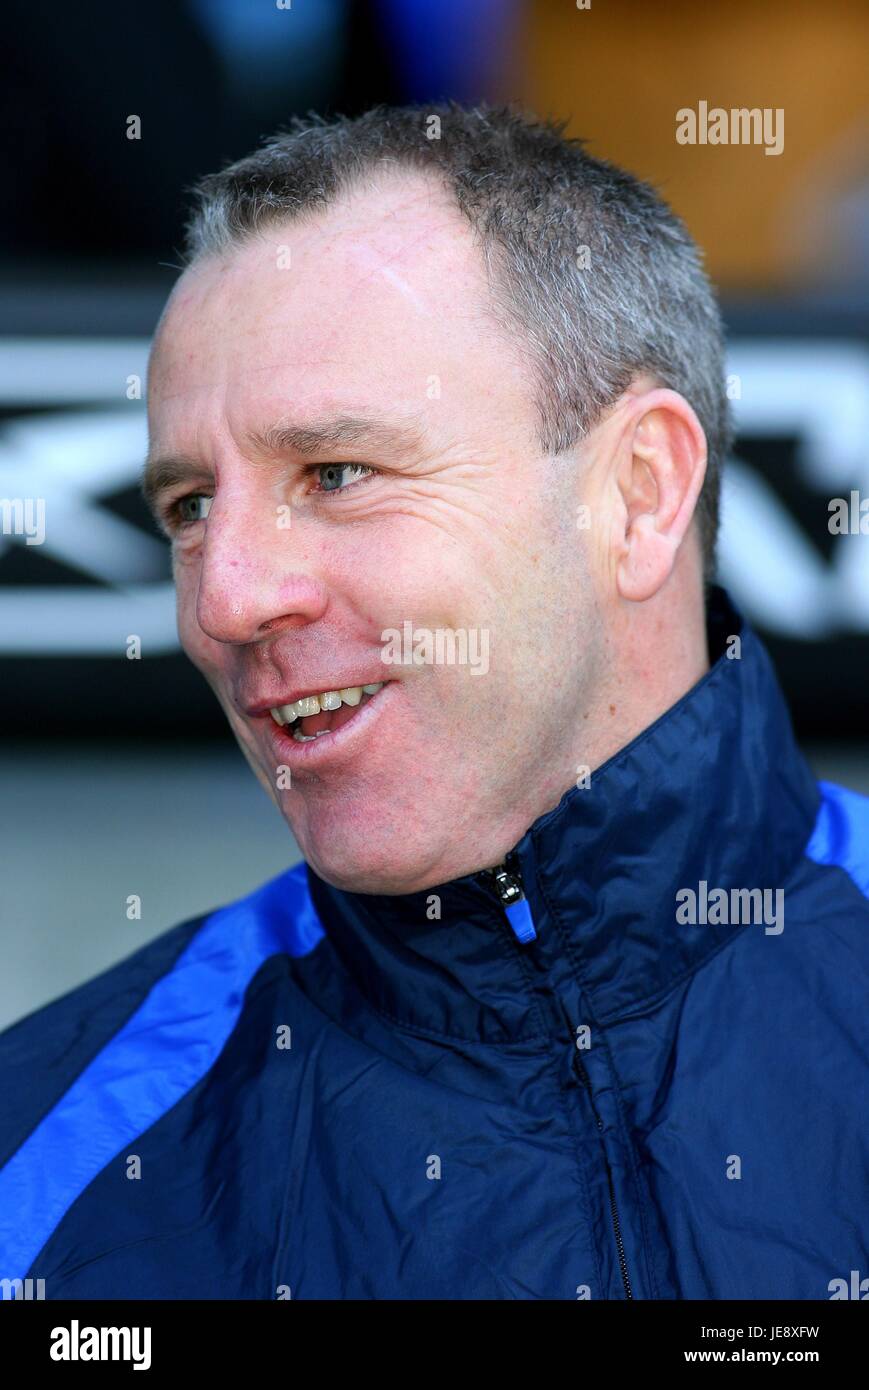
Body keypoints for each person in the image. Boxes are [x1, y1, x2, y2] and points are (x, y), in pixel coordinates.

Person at [1, 103, 867, 1301]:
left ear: (637, 493)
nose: (225, 599)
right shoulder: (41, 1159)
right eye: (190, 506)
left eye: (337, 473)